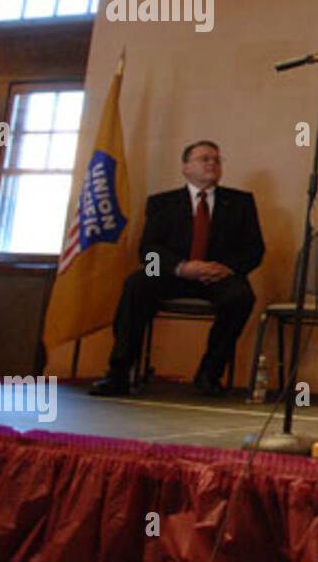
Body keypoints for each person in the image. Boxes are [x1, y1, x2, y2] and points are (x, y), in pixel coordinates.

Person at [90, 141, 265, 398]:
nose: (212, 164)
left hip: (218, 276)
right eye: (204, 158)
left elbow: (254, 249)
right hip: (171, 274)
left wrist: (226, 268)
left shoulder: (241, 202)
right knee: (136, 283)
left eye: (217, 160)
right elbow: (148, 251)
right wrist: (182, 267)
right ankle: (118, 373)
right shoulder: (162, 203)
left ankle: (209, 374)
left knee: (241, 297)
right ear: (186, 167)